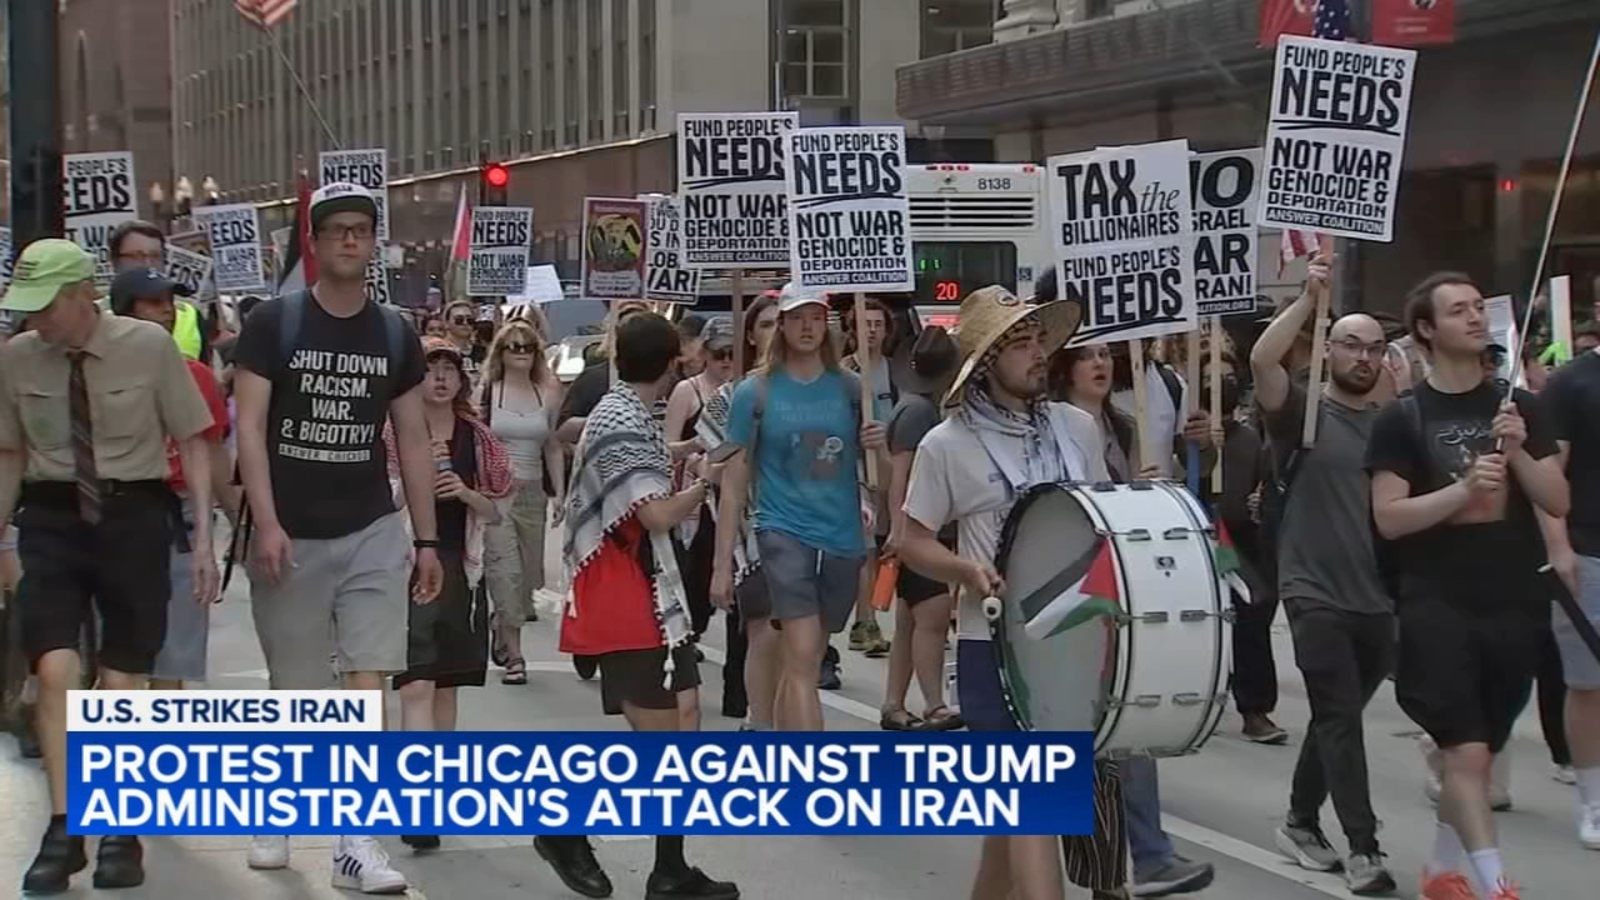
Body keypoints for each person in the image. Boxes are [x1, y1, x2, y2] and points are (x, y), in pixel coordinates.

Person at [232, 183, 442, 892]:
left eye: (362, 230)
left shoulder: (393, 332)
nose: (351, 241)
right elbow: (250, 432)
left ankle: (356, 841)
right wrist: (264, 521)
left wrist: (427, 540)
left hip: (373, 529)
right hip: (289, 532)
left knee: (367, 679)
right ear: (315, 244)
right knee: (295, 691)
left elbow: (412, 440)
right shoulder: (274, 323)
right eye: (338, 231)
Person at [0, 238, 219, 893]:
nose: (36, 319)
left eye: (46, 306)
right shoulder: (16, 360)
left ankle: (122, 828)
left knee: (125, 679)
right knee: (56, 668)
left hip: (134, 514)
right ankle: (66, 829)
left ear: (80, 296)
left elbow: (194, 438)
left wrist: (204, 536)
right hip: (50, 516)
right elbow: (9, 453)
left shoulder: (149, 348)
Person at [898, 285, 1131, 900]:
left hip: (1075, 644)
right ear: (986, 361)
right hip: (992, 648)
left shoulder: (1079, 427)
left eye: (1039, 342)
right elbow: (910, 540)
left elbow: (1104, 519)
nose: (1037, 354)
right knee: (1033, 810)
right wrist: (964, 571)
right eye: (1020, 344)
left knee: (1010, 822)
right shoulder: (945, 444)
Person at [1369, 272, 1568, 899]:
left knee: (1480, 748)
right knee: (1468, 752)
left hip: (1513, 601)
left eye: (1479, 308)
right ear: (1427, 329)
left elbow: (1557, 500)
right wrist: (1461, 490)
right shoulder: (1402, 419)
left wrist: (1521, 455)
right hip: (1436, 601)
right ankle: (1494, 884)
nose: (1476, 318)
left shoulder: (1518, 408)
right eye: (1459, 311)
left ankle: (1440, 868)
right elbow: (1390, 518)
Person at [538, 312, 738, 900]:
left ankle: (670, 868)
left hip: (646, 584)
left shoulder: (627, 411)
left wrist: (685, 451)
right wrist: (706, 483)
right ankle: (564, 826)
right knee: (659, 742)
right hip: (622, 585)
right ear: (673, 360)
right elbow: (652, 512)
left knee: (684, 717)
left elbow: (643, 461)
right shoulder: (623, 416)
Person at [1047, 340, 1218, 897]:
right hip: (1070, 597)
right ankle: (1119, 864)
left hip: (1126, 593)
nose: (1101, 364)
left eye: (1105, 355)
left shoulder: (1125, 427)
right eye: (1087, 356)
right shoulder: (1051, 429)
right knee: (1096, 741)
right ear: (1063, 368)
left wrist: (1191, 457)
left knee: (1129, 725)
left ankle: (1143, 858)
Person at [1250, 255, 1398, 894]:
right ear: (1330, 349)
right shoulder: (1302, 413)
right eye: (1352, 345)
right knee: (1339, 713)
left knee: (1337, 716)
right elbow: (1263, 360)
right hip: (1311, 591)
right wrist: (1311, 300)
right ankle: (1364, 848)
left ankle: (1300, 820)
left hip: (1378, 597)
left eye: (1376, 349)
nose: (1364, 357)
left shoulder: (1396, 428)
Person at [710, 283, 887, 732]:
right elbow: (733, 483)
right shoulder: (754, 392)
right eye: (795, 317)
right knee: (805, 657)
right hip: (782, 531)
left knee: (802, 661)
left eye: (814, 317)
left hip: (843, 537)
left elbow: (878, 477)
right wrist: (721, 566)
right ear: (781, 325)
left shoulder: (852, 388)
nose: (806, 327)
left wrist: (877, 446)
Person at [387, 336, 513, 852]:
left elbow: (498, 507)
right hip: (406, 566)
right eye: (430, 368)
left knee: (445, 687)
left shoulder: (477, 438)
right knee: (414, 684)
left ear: (462, 381)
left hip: (461, 568)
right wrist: (415, 475)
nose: (439, 378)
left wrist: (463, 491)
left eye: (449, 370)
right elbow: (381, 497)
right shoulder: (392, 431)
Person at [108, 268, 238, 690]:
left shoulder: (197, 376)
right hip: (115, 515)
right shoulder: (92, 374)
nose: (166, 310)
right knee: (117, 663)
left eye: (170, 300)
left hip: (180, 517)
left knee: (173, 663)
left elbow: (214, 454)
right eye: (152, 301)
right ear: (125, 311)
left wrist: (240, 528)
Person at [1530, 318, 1600, 844]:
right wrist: (1558, 546)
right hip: (1589, 550)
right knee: (1588, 684)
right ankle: (1593, 800)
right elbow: (1551, 472)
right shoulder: (1573, 383)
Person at [701, 294, 781, 732]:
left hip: (814, 528)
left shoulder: (822, 388)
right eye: (765, 324)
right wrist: (721, 563)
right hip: (755, 528)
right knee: (764, 628)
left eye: (779, 323)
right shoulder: (732, 396)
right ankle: (759, 721)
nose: (774, 333)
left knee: (800, 640)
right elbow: (715, 465)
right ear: (750, 334)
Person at [879, 325, 962, 732]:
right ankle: (934, 703)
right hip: (918, 531)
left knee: (910, 621)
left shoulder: (915, 405)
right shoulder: (919, 413)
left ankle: (894, 704)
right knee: (932, 614)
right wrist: (899, 531)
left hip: (921, 528)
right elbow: (900, 476)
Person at [481, 317, 565, 684]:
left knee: (530, 576)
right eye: (513, 347)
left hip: (533, 494)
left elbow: (551, 445)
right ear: (500, 353)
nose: (521, 354)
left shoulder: (546, 394)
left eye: (528, 347)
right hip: (497, 495)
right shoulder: (487, 392)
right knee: (506, 573)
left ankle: (501, 621)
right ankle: (515, 656)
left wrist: (559, 493)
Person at [664, 317, 741, 703]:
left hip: (737, 505)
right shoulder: (688, 391)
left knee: (742, 602)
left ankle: (737, 692)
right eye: (719, 354)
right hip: (697, 505)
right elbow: (668, 446)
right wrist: (697, 464)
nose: (727, 361)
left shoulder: (746, 391)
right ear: (704, 355)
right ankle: (683, 650)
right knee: (694, 595)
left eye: (734, 353)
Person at [841, 296, 896, 659]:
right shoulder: (844, 372)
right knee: (866, 550)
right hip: (854, 471)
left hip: (891, 467)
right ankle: (865, 622)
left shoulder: (896, 372)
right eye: (866, 324)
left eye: (878, 325)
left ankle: (875, 612)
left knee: (887, 547)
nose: (872, 331)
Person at [107, 220, 210, 365]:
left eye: (155, 256)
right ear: (114, 261)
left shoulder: (190, 316)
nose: (147, 264)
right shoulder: (94, 317)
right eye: (137, 256)